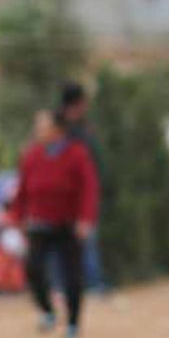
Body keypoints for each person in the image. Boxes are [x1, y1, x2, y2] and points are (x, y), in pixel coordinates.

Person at [4, 110, 99, 338]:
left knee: (71, 274)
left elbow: (89, 188)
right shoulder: (32, 155)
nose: (38, 131)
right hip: (40, 222)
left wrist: (85, 219)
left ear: (58, 130)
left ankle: (73, 323)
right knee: (33, 268)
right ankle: (47, 310)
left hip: (69, 223)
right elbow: (22, 188)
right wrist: (16, 216)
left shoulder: (76, 154)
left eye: (43, 127)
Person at [59, 82, 108, 294]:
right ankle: (85, 284)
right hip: (69, 195)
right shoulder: (62, 130)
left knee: (86, 239)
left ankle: (91, 283)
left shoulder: (82, 126)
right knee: (76, 242)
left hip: (85, 192)